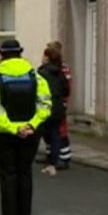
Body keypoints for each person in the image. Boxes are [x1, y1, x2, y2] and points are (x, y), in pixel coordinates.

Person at [0, 39, 52, 215]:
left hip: (4, 134)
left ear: (2, 55)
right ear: (20, 53)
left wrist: (14, 128)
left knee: (8, 174)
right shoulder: (35, 76)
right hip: (30, 134)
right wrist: (31, 125)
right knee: (25, 171)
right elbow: (45, 105)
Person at [37, 46, 69, 177]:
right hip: (58, 108)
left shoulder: (42, 72)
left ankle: (26, 160)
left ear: (47, 58)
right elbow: (66, 90)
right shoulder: (60, 73)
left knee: (39, 133)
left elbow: (36, 90)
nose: (42, 57)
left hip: (45, 107)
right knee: (55, 135)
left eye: (44, 55)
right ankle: (52, 164)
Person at [45, 40, 73, 169]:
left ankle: (64, 157)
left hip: (59, 102)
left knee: (60, 131)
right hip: (55, 102)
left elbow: (65, 87)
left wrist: (63, 101)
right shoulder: (51, 67)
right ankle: (51, 155)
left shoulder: (62, 68)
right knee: (50, 130)